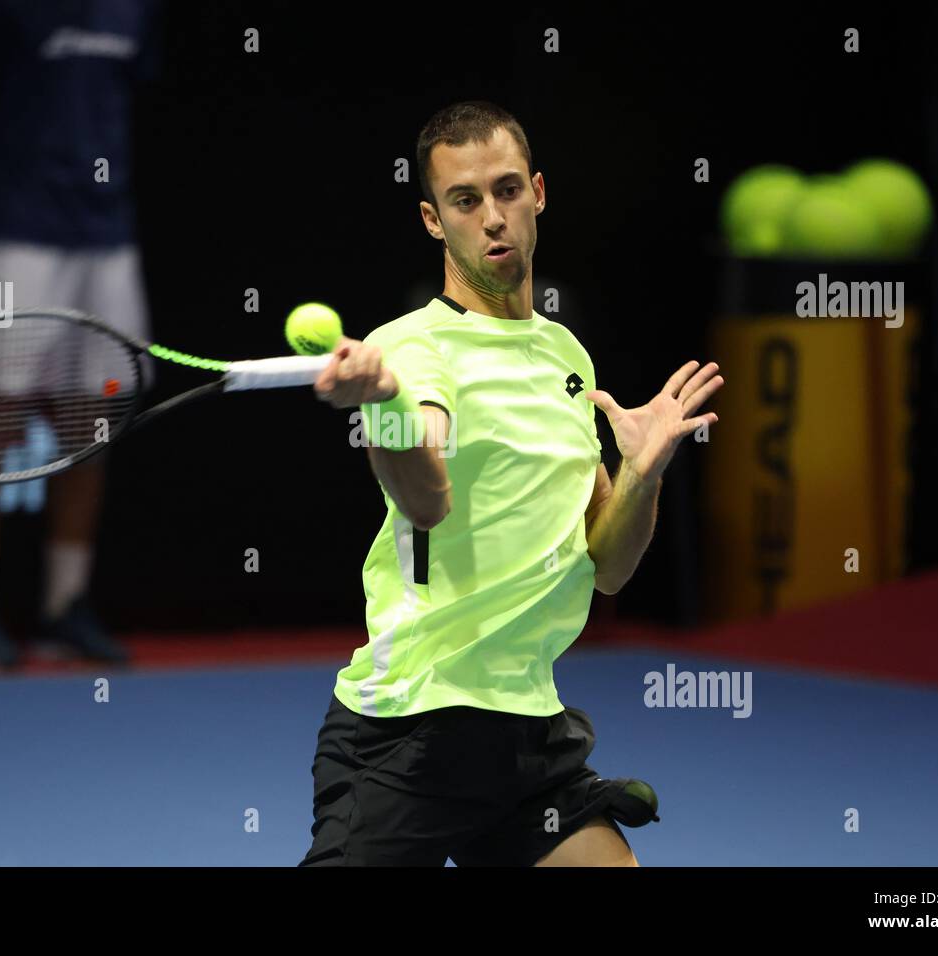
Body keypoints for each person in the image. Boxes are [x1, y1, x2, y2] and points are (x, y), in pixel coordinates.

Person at [300, 101, 723, 866]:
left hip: (528, 732)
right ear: (434, 220)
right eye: (465, 201)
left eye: (505, 191)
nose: (491, 217)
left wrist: (643, 472)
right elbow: (427, 498)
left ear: (537, 193)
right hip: (412, 731)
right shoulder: (414, 349)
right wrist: (384, 408)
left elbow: (611, 568)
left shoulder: (567, 355)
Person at [0, 0, 161, 667]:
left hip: (108, 231)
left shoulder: (136, 8)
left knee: (91, 416)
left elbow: (120, 104)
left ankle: (65, 607)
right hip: (20, 229)